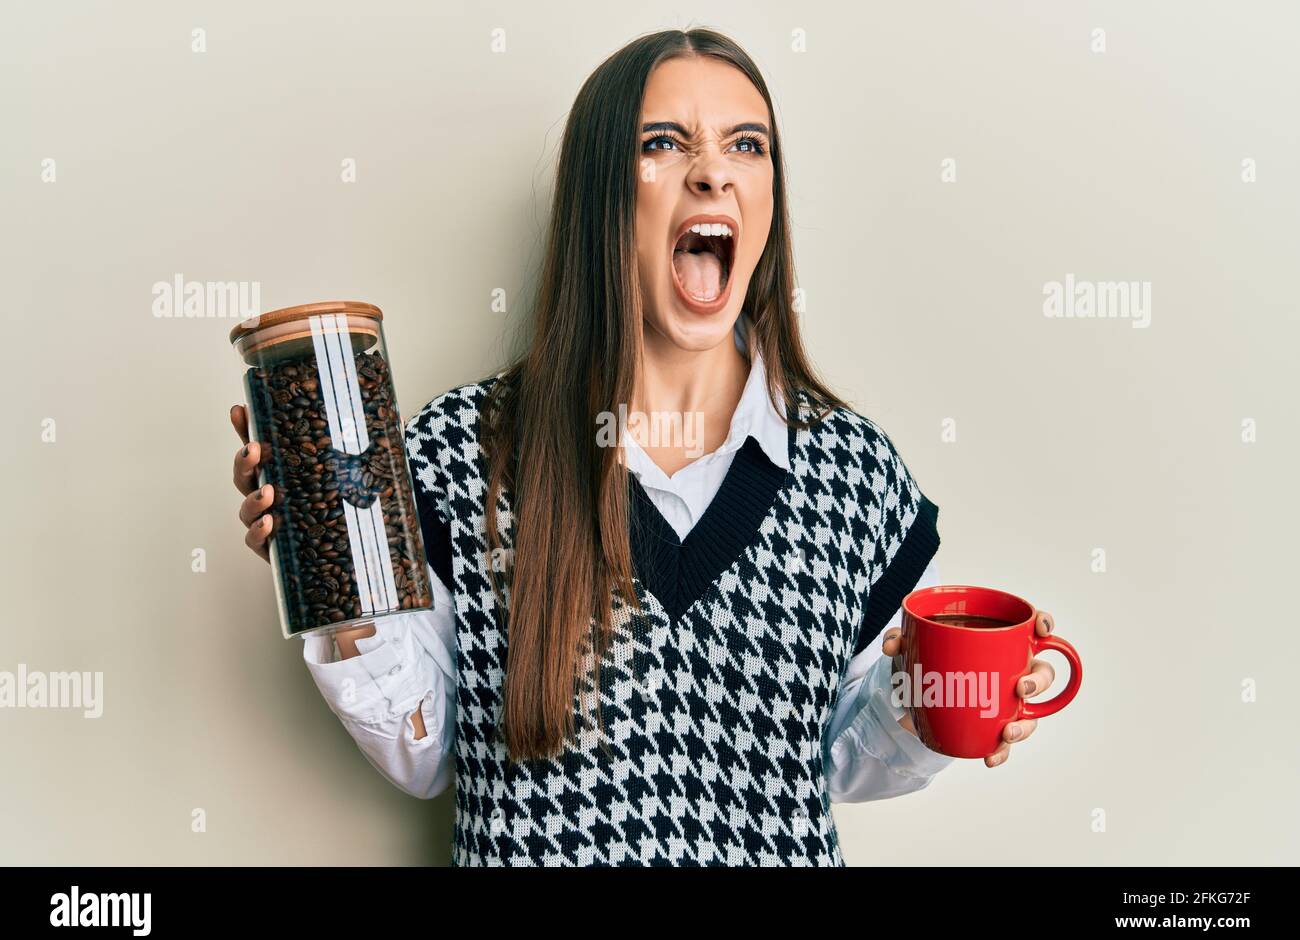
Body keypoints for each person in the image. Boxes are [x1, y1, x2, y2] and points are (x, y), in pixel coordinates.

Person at [229, 28, 1060, 866]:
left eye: (748, 144)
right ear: (602, 199)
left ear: (770, 196)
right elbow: (429, 751)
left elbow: (844, 762)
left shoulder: (856, 474)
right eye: (663, 143)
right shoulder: (461, 452)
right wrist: (330, 574)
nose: (713, 170)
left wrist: (937, 699)